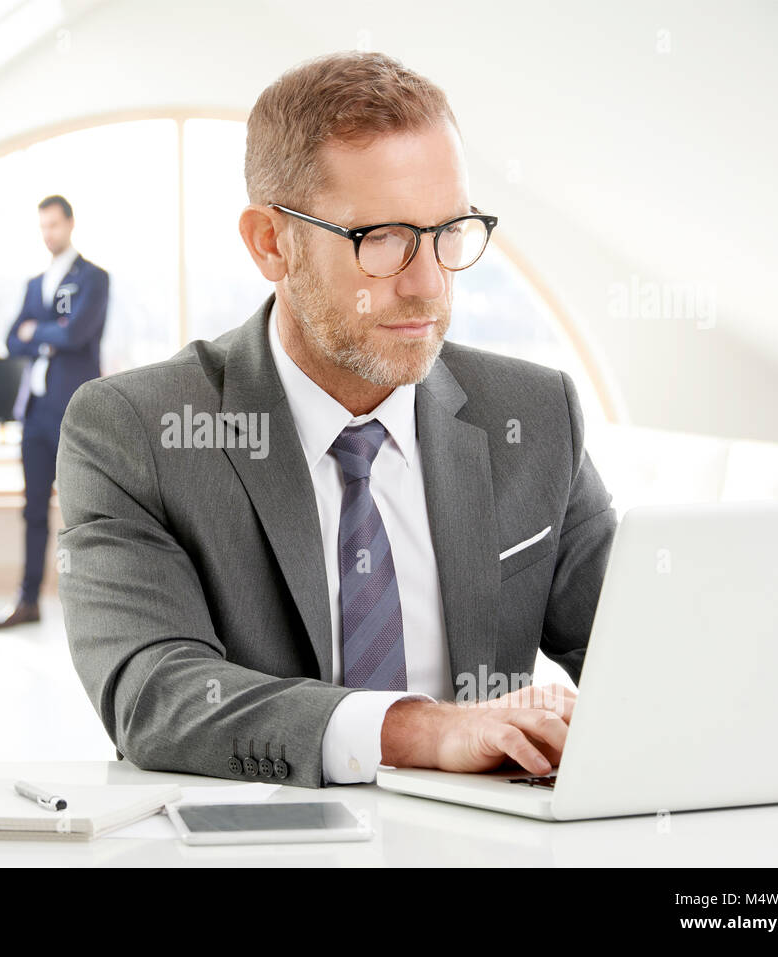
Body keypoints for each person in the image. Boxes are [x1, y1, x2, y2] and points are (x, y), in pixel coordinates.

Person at [56, 51, 618, 786]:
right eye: (381, 239)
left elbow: (643, 657)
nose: (428, 286)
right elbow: (156, 693)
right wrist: (420, 730)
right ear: (270, 243)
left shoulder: (536, 415)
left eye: (450, 230)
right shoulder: (134, 430)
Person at [0, 196, 109, 630]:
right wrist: (47, 335)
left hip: (73, 412)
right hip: (34, 412)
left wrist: (36, 330)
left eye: (54, 225)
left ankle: (94, 607)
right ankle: (28, 599)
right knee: (33, 507)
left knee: (84, 510)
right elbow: (9, 341)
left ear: (70, 224)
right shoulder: (35, 284)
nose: (48, 234)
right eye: (42, 227)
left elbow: (77, 333)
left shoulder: (93, 278)